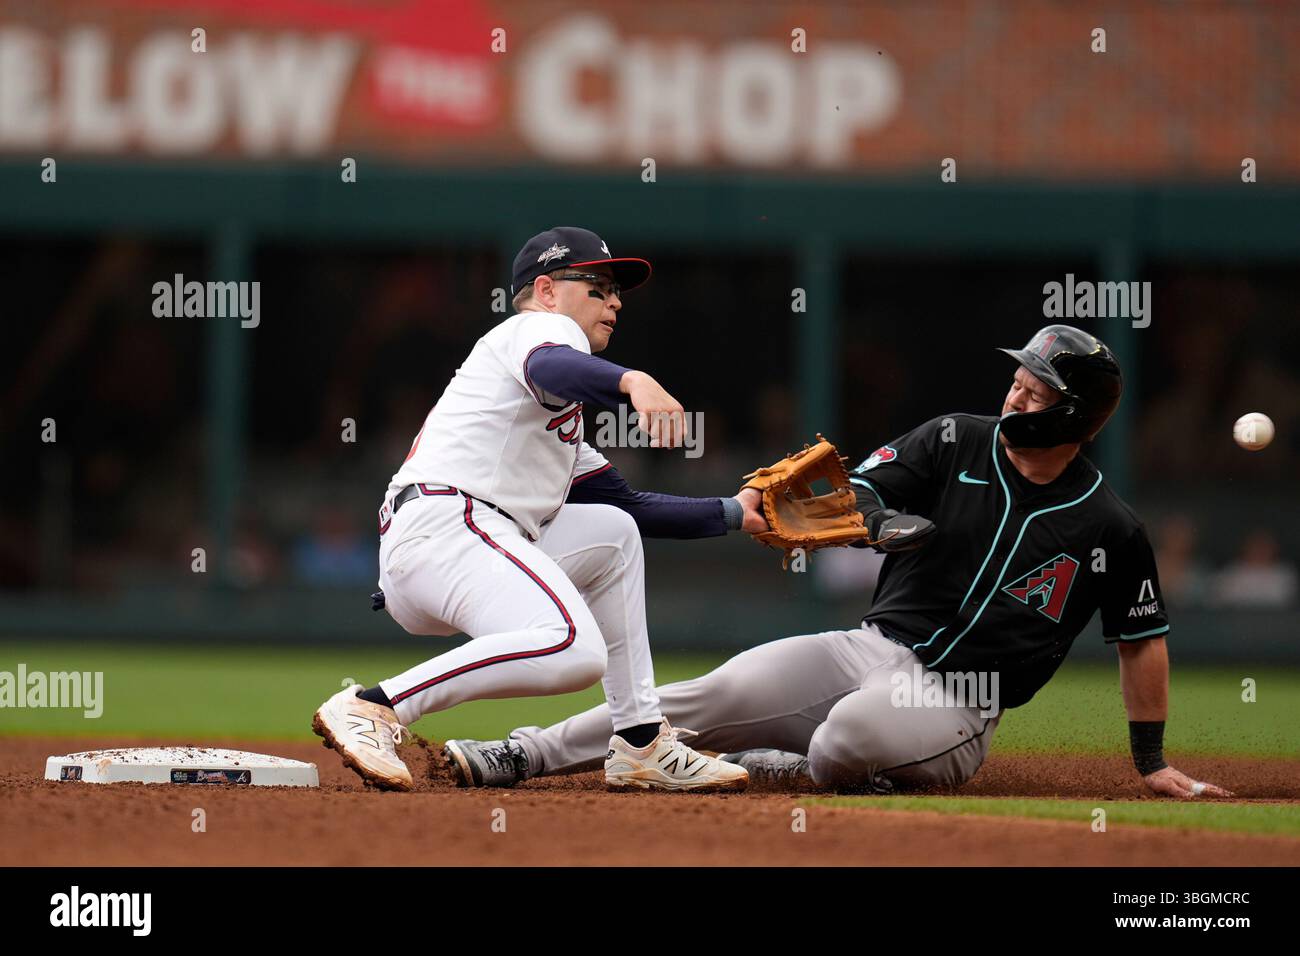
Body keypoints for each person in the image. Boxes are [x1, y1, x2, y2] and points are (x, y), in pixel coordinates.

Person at [450, 325, 1233, 800]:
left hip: (961, 701)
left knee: (843, 740)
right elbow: (855, 486)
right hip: (866, 647)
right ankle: (520, 754)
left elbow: (1142, 640)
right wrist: (881, 517)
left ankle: (785, 767)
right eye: (1017, 382)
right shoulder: (957, 438)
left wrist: (1151, 761)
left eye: (1035, 394)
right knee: (712, 692)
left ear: (1073, 415)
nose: (1015, 400)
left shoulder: (1109, 526)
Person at [313, 227, 763, 792]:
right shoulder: (535, 330)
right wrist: (632, 380)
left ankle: (642, 743)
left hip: (454, 546)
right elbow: (553, 366)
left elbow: (632, 506)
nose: (615, 301)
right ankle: (375, 705)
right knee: (574, 649)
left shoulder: (552, 420)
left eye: (616, 291)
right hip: (449, 527)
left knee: (614, 532)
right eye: (598, 287)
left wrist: (737, 512)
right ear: (546, 290)